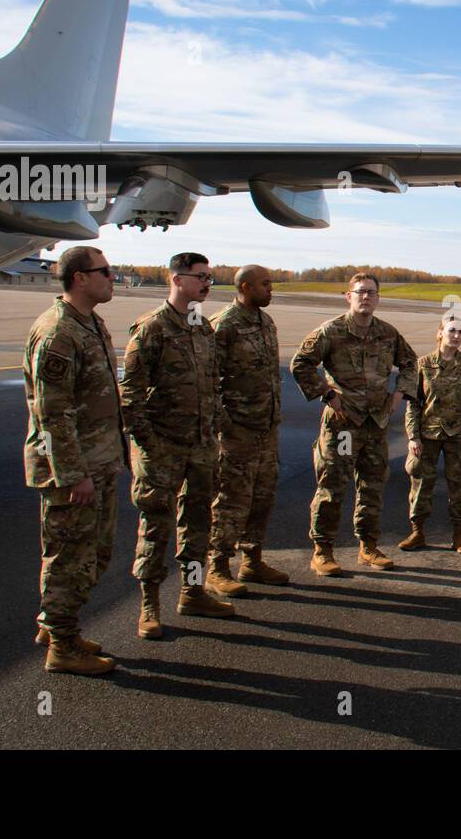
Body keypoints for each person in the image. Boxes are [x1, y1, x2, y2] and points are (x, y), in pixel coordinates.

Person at [121, 252, 235, 639]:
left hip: (201, 447)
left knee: (198, 523)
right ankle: (149, 605)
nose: (207, 283)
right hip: (163, 447)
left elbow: (213, 385)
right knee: (156, 525)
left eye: (210, 278)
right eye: (201, 277)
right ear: (176, 278)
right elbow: (130, 395)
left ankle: (192, 590)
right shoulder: (152, 328)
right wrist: (149, 445)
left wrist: (216, 431)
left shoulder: (202, 328)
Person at [23, 246, 124, 675]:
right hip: (73, 470)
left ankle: (61, 626)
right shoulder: (58, 333)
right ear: (80, 277)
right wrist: (72, 475)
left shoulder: (90, 323)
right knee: (70, 557)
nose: (112, 278)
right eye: (105, 271)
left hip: (97, 462)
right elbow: (52, 414)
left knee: (93, 554)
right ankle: (62, 646)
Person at [290, 273, 419, 576]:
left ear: (377, 298)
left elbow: (410, 363)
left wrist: (400, 392)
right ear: (348, 296)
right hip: (343, 424)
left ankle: (369, 547)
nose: (366, 298)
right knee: (333, 486)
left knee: (373, 487)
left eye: (371, 293)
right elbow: (301, 363)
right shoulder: (331, 331)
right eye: (360, 292)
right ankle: (323, 551)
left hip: (376, 424)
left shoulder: (387, 333)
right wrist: (327, 395)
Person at [205, 265, 289, 598]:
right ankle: (217, 566)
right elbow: (209, 379)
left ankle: (252, 560)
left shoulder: (265, 322)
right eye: (265, 284)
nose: (271, 289)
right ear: (244, 286)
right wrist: (224, 423)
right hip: (237, 430)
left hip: (267, 428)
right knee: (230, 500)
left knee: (262, 497)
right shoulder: (224, 325)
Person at [400, 314, 461, 553]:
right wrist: (413, 436)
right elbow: (413, 403)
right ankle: (417, 533)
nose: (457, 336)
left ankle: (459, 536)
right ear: (440, 332)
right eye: (452, 331)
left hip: (457, 435)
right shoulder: (423, 364)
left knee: (459, 486)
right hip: (426, 436)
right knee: (420, 485)